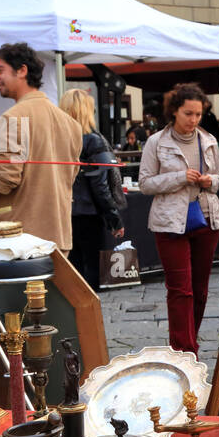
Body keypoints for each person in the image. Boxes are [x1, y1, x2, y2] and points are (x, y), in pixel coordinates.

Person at [139, 83, 219, 356]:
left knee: (199, 291)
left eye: (198, 114)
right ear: (174, 111)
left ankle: (191, 340)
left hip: (206, 218)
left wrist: (210, 180)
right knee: (180, 290)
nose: (194, 119)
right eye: (189, 113)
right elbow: (145, 184)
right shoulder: (156, 142)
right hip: (169, 222)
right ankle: (183, 350)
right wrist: (178, 177)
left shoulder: (208, 140)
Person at [0, 43, 82, 251]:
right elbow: (69, 176)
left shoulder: (13, 117)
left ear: (22, 71)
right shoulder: (71, 124)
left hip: (19, 240)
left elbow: (5, 178)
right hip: (58, 235)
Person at [60, 89, 124, 291]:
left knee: (73, 265)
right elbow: (100, 185)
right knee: (91, 267)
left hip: (63, 210)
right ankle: (90, 314)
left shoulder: (56, 139)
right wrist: (114, 218)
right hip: (87, 212)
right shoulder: (92, 139)